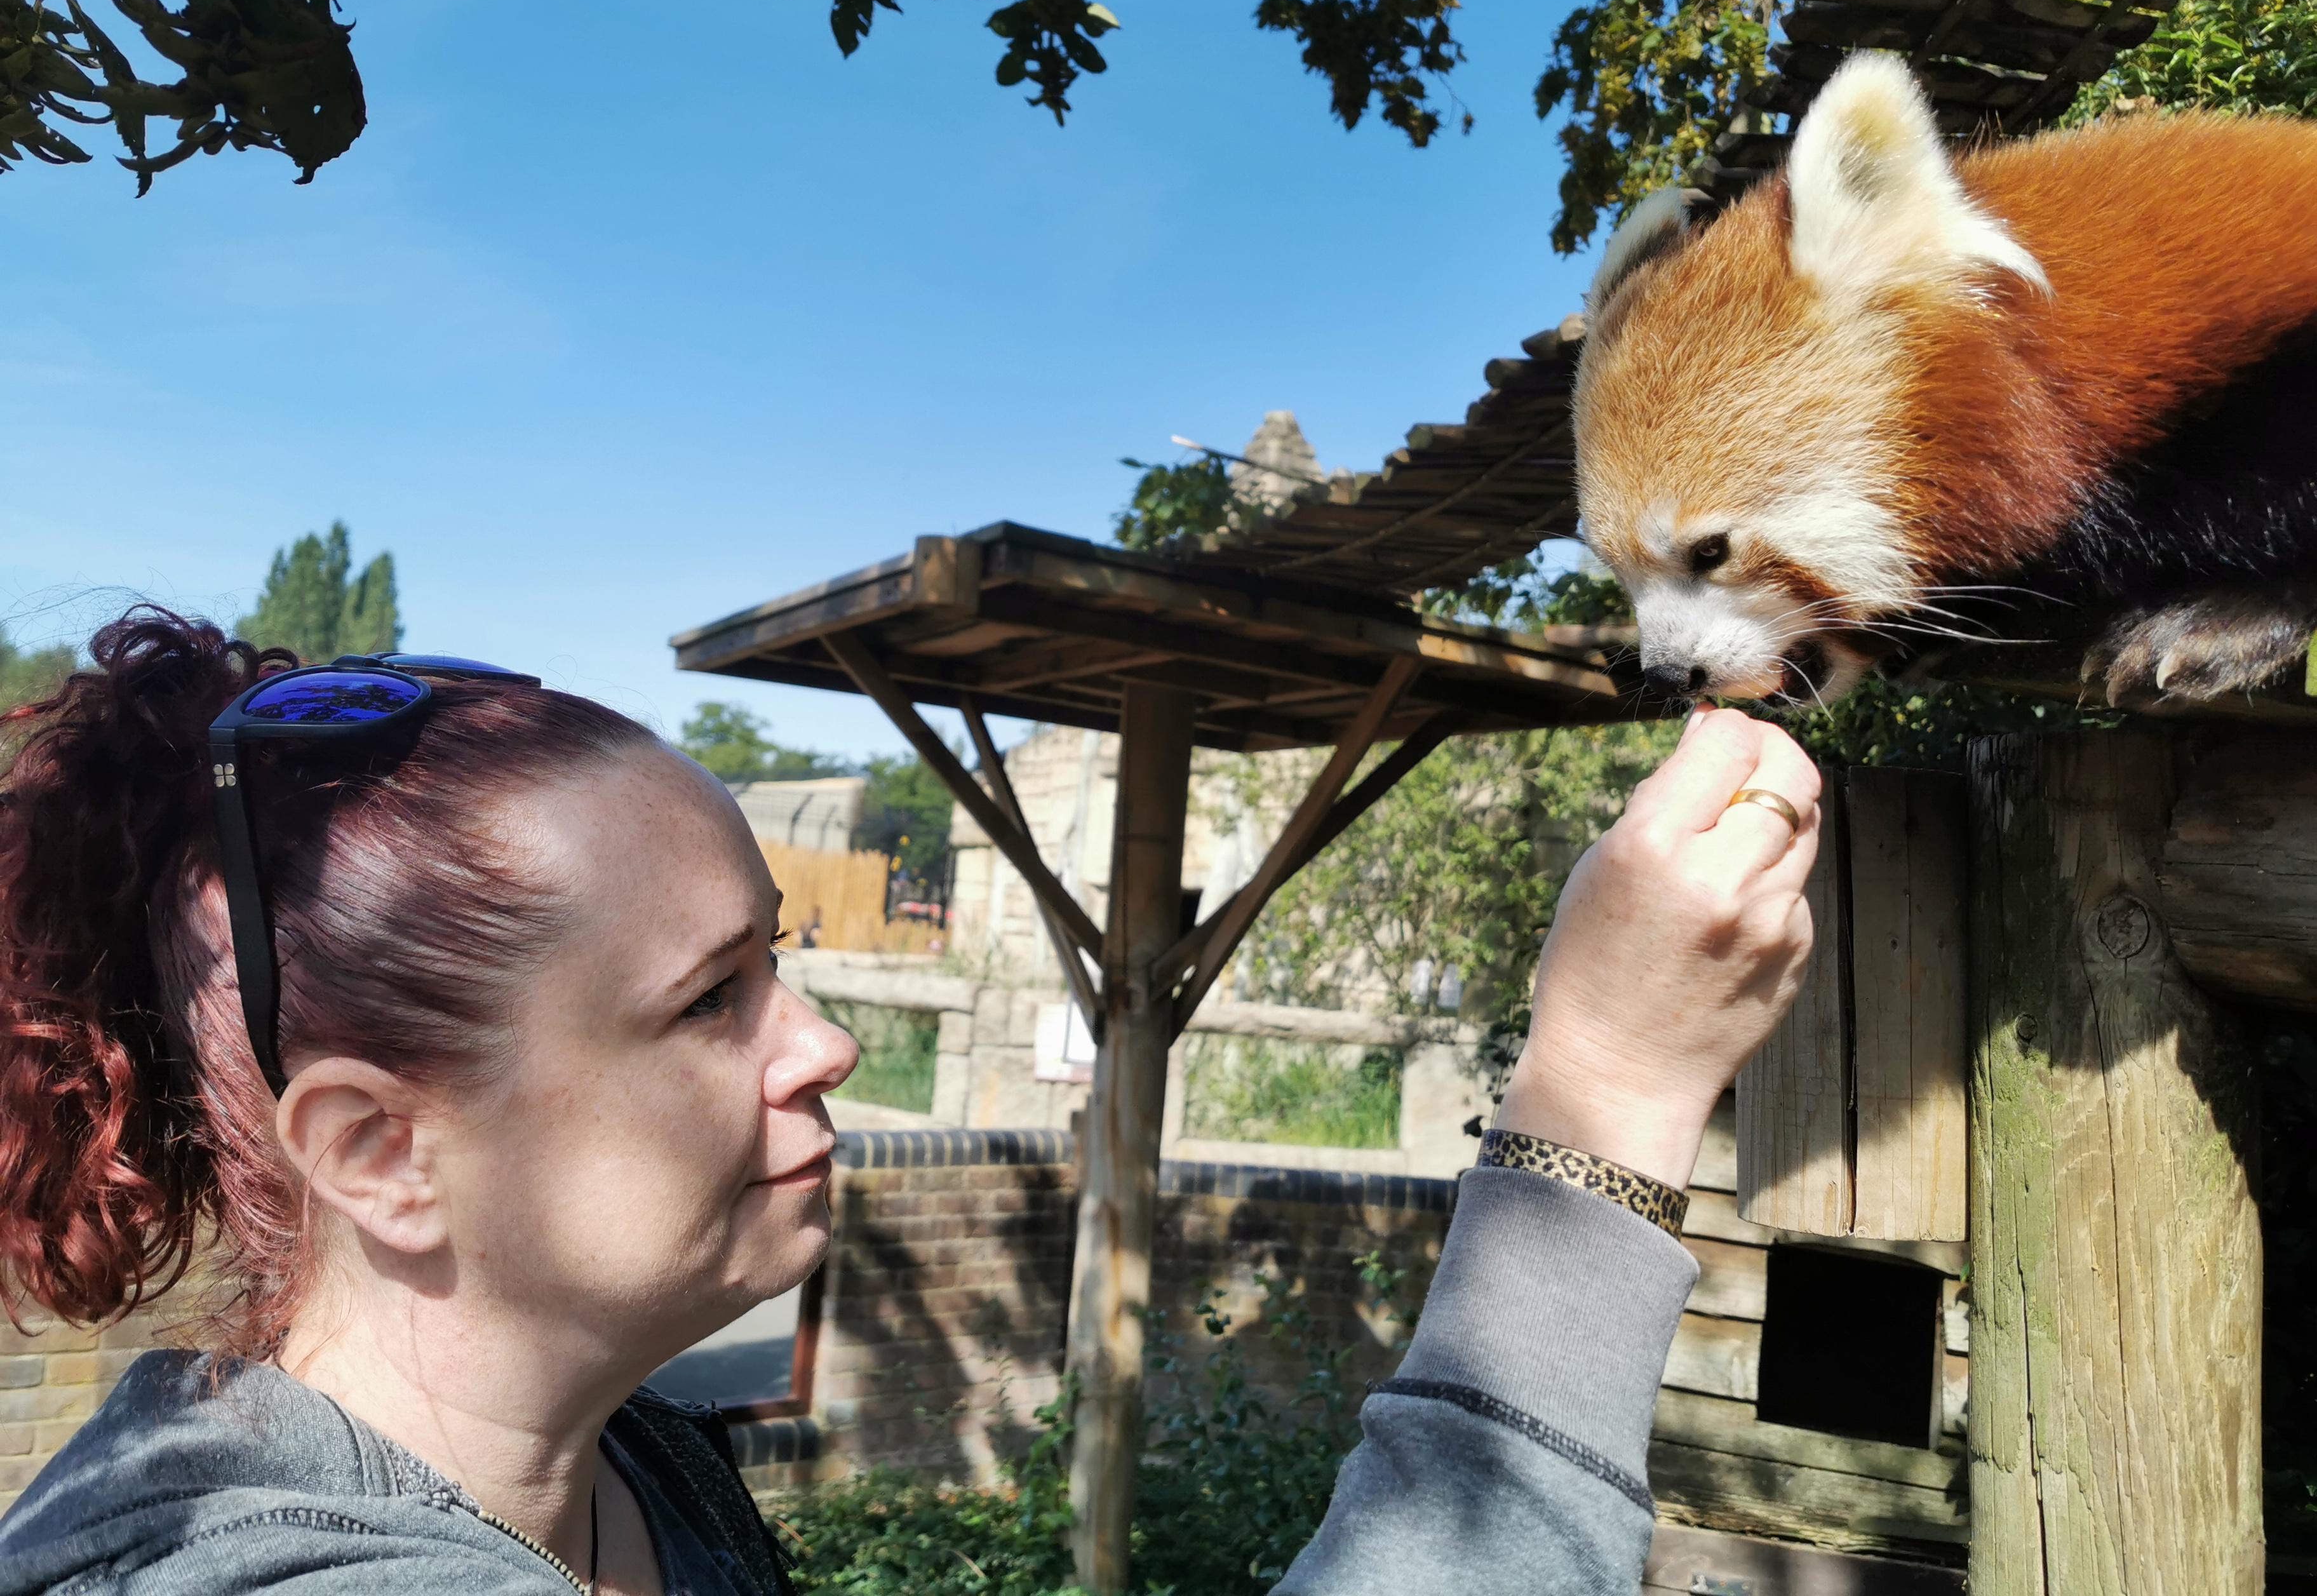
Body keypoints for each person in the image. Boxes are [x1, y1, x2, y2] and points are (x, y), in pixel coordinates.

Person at [0, 609, 1820, 1595]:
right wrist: (1608, 1091)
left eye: (778, 964)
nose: (824, 1045)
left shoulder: (627, 1479)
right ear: (383, 1153)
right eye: (712, 998)